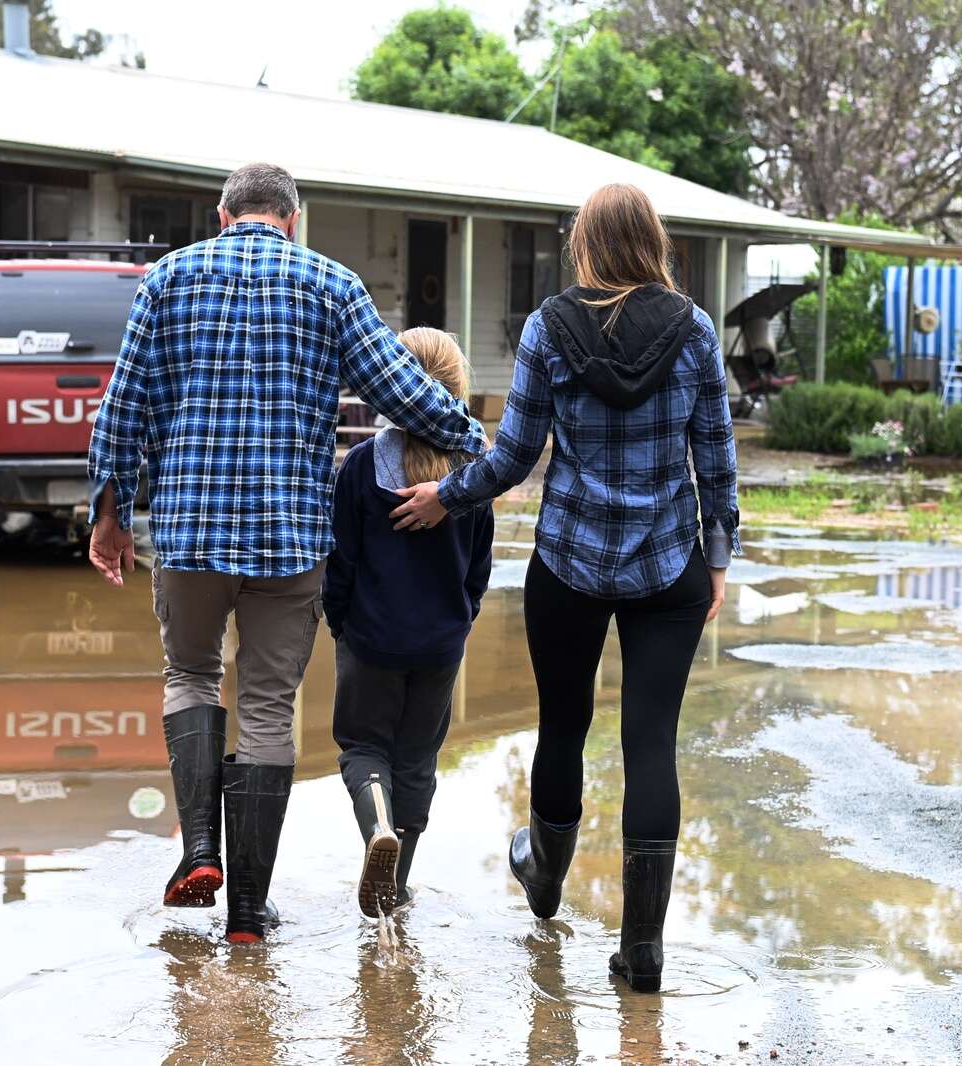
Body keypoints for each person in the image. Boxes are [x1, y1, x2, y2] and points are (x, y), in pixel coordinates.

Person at [87, 163, 486, 944]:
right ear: (294, 219)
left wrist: (107, 512)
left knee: (192, 675)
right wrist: (477, 445)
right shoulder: (332, 286)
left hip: (190, 532)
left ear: (223, 214)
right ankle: (246, 915)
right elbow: (400, 389)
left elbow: (122, 404)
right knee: (268, 704)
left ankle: (200, 848)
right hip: (288, 538)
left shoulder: (166, 278)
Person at [390, 183, 739, 992]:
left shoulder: (550, 326)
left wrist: (445, 494)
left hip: (569, 565)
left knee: (564, 728)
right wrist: (714, 557)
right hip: (667, 568)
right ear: (653, 241)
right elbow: (716, 460)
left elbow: (514, 457)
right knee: (652, 741)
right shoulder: (695, 333)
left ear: (586, 243)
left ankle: (544, 878)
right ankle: (642, 951)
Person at [323, 328, 494, 919]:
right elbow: (479, 568)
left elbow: (339, 561)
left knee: (364, 747)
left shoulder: (363, 466)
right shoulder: (473, 474)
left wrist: (340, 623)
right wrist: (460, 622)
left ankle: (377, 832)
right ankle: (395, 887)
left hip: (370, 640)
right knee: (418, 761)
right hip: (439, 648)